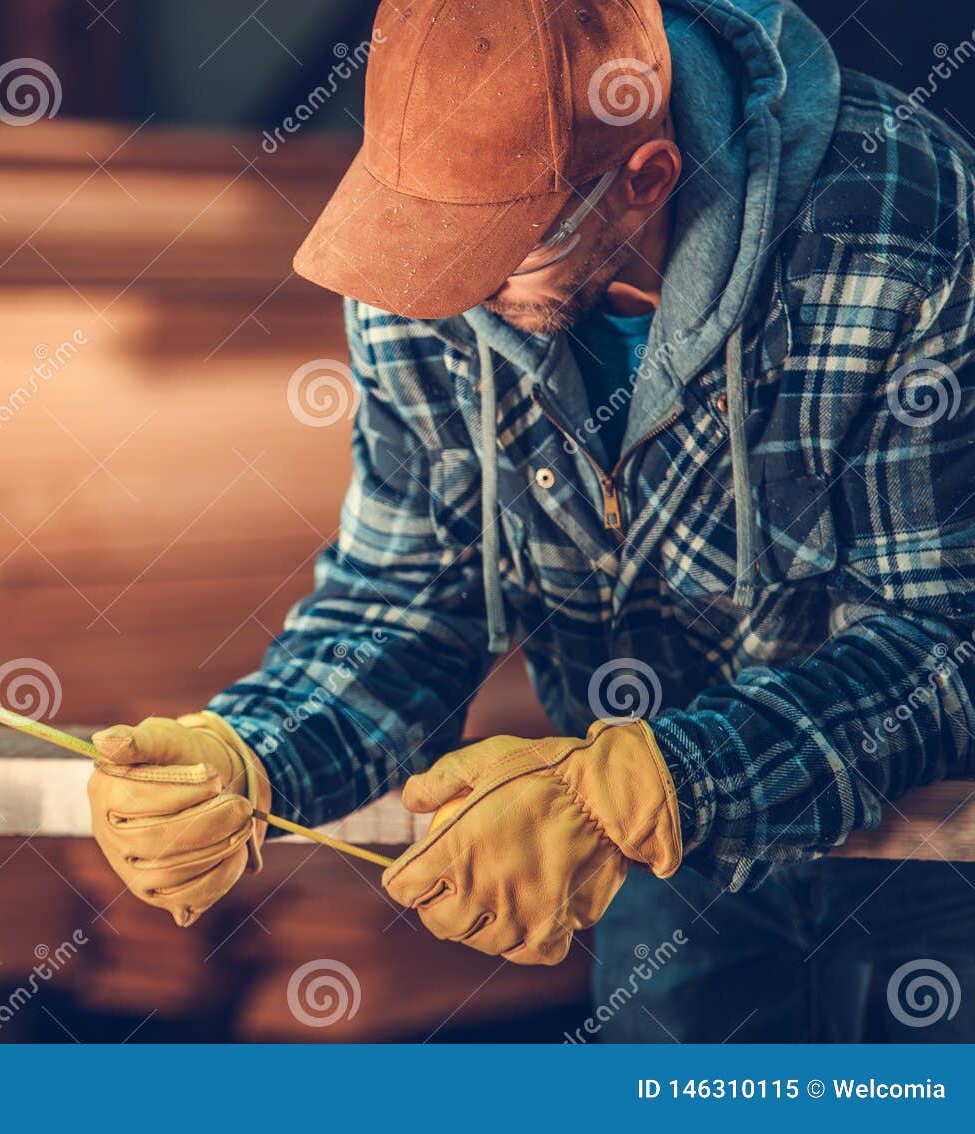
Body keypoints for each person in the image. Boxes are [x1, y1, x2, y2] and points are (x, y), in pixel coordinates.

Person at [86, 0, 975, 1041]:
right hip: (656, 855)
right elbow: (410, 597)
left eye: (496, 248)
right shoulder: (419, 273)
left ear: (645, 177)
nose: (447, 290)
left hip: (932, 844)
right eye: (429, 239)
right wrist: (252, 751)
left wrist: (653, 784)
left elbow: (941, 642)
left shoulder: (901, 225)